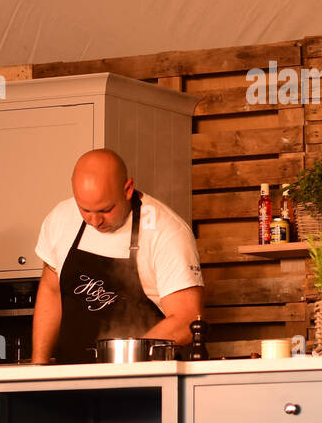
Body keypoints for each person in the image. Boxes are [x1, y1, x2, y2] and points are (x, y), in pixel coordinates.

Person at [32, 148, 204, 364]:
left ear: (128, 189)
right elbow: (51, 289)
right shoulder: (60, 218)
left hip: (142, 379)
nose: (95, 221)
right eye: (85, 210)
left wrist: (124, 360)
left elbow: (186, 319)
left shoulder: (166, 231)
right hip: (70, 377)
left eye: (105, 210)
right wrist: (38, 365)